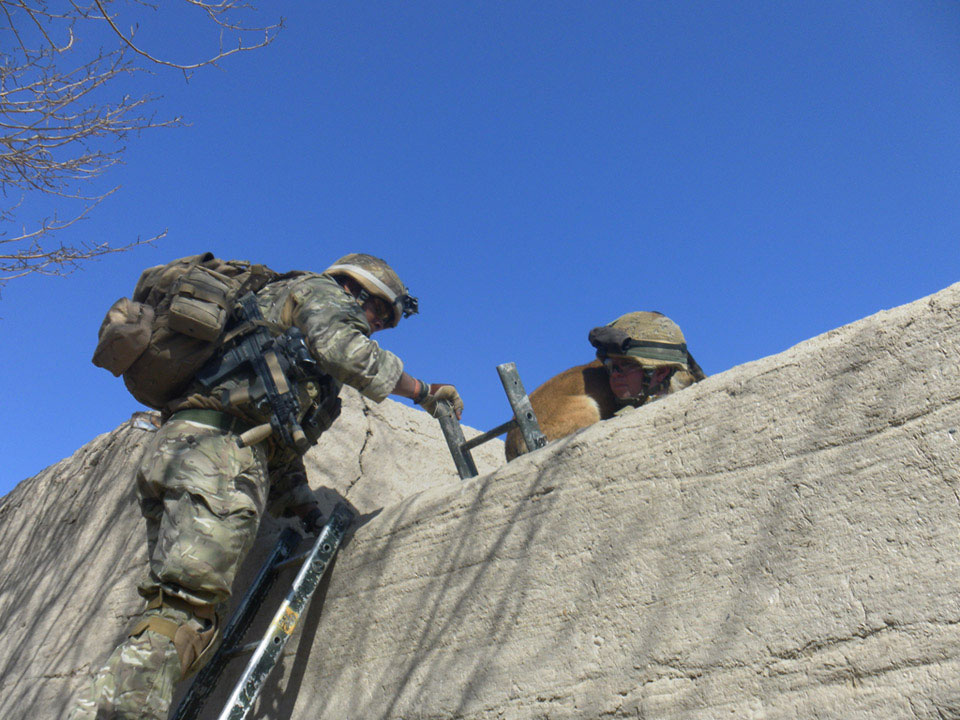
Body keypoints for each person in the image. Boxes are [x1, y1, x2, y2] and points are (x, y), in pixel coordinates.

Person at [69, 253, 463, 720]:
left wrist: (308, 512)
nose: (377, 325)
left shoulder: (275, 329)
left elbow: (279, 451)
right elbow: (347, 352)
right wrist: (423, 390)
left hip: (185, 451)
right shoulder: (320, 294)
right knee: (185, 615)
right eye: (379, 311)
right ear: (355, 288)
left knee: (173, 608)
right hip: (219, 458)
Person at [504, 311, 704, 460]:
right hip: (534, 440)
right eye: (610, 367)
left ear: (660, 372)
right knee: (587, 412)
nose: (614, 375)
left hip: (523, 442)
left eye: (625, 366)